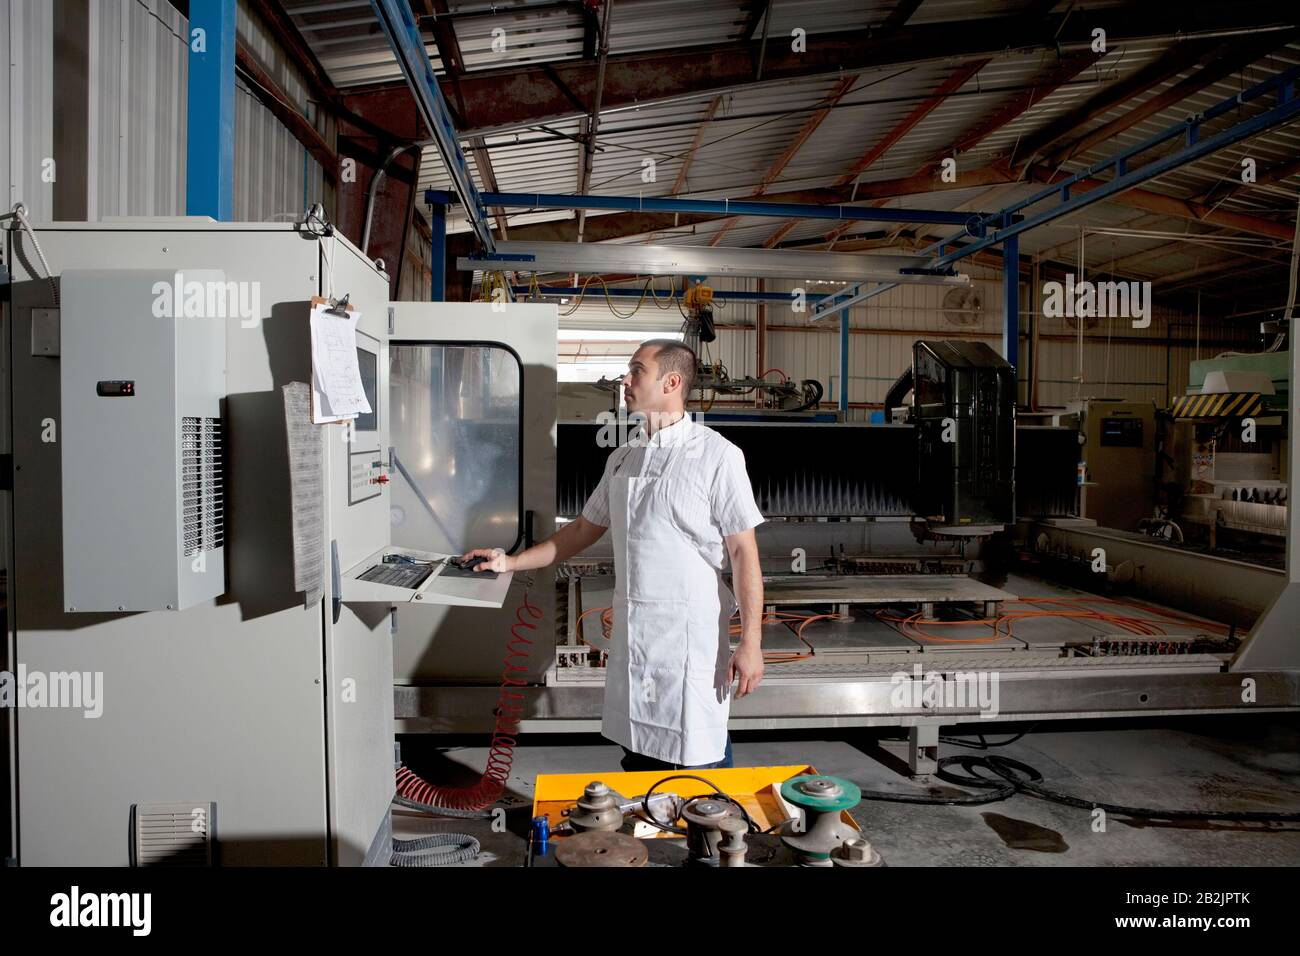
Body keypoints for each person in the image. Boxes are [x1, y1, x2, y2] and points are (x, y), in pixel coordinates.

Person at [460, 338, 765, 771]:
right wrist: (507, 561)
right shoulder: (623, 457)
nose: (625, 380)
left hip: (688, 639)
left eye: (637, 370)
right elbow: (583, 530)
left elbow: (743, 552)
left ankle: (706, 831)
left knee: (698, 753)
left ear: (672, 381)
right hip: (636, 633)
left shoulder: (718, 456)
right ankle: (644, 831)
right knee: (638, 747)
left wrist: (751, 642)